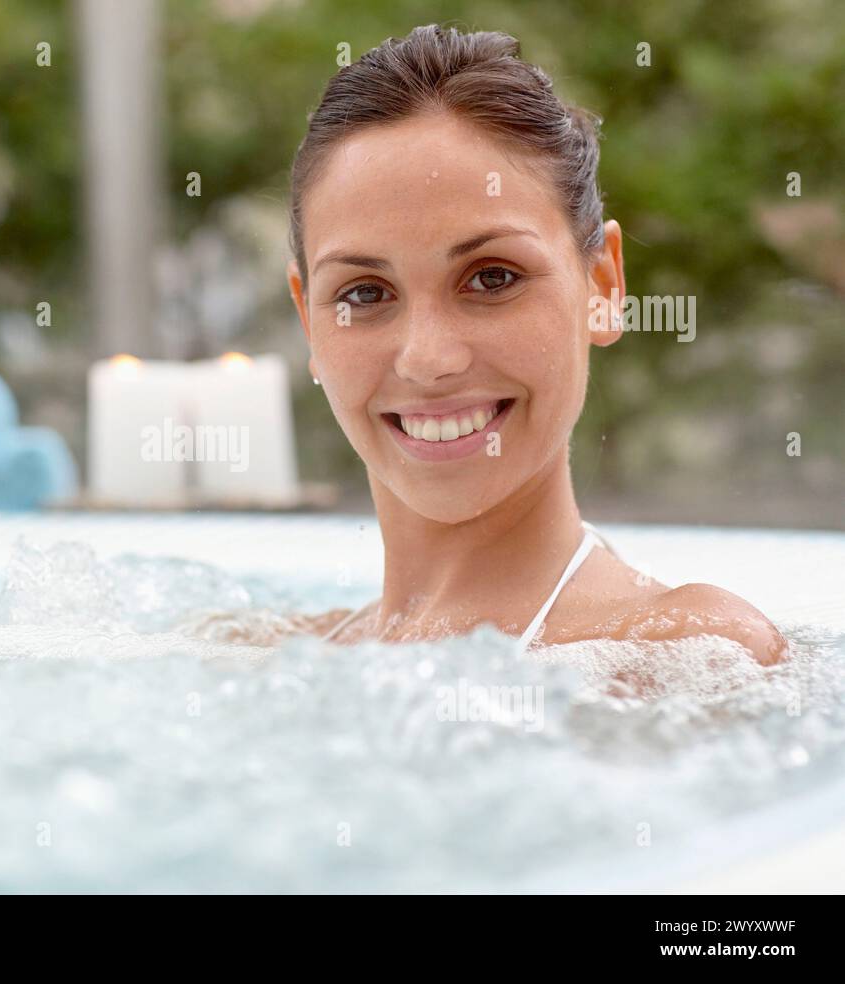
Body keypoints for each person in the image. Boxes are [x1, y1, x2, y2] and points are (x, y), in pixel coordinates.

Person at [285, 26, 786, 663]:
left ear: (602, 284)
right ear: (308, 318)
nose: (428, 359)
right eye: (363, 293)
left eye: (492, 277)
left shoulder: (680, 653)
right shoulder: (287, 649)